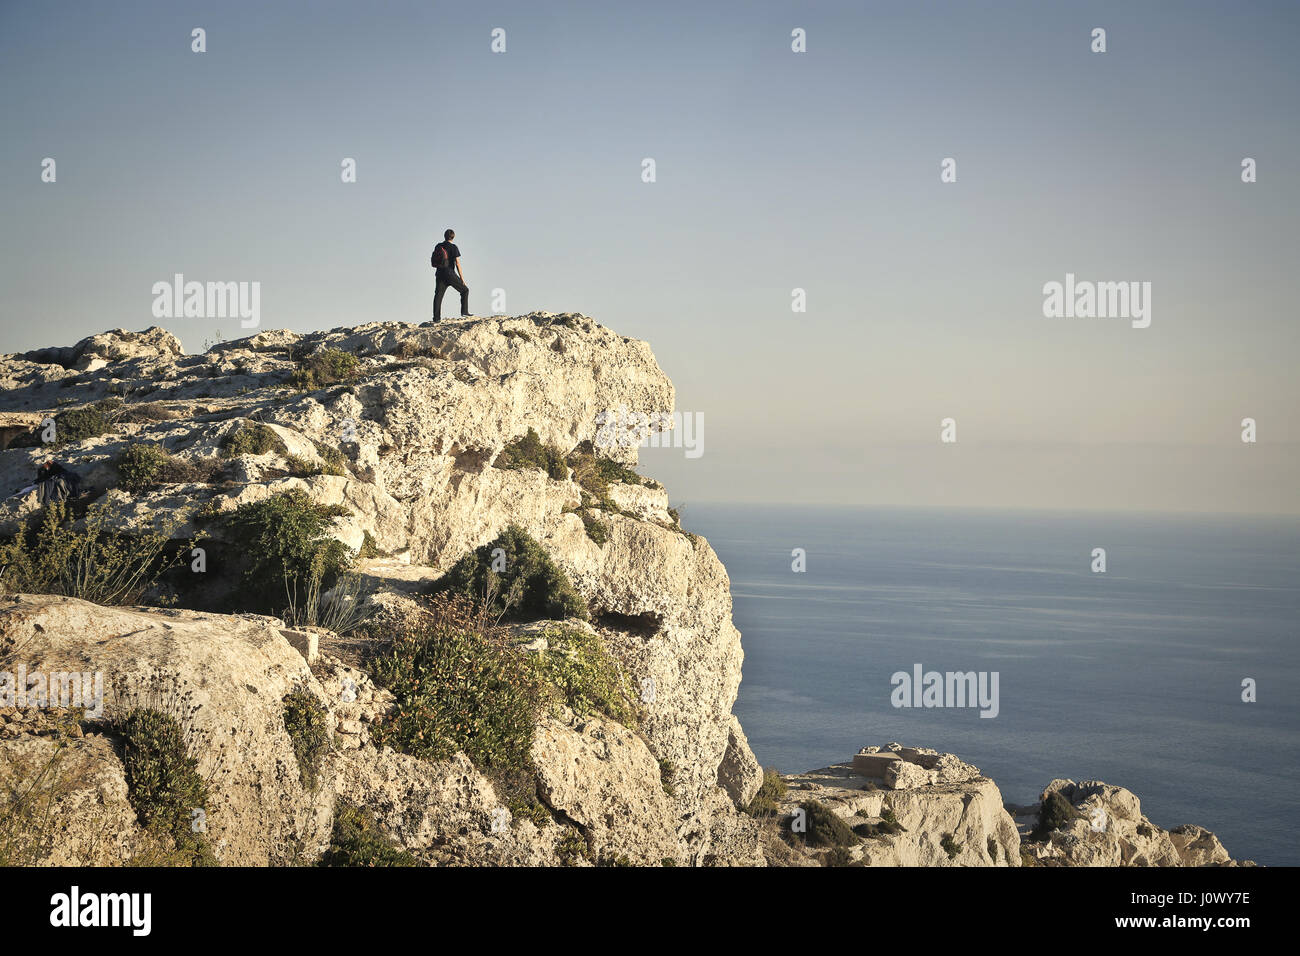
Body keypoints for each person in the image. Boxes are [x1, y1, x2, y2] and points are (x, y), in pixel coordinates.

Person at [431, 228, 469, 321]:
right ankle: (464, 312)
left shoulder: (438, 246)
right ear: (453, 237)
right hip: (449, 273)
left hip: (439, 273)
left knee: (438, 296)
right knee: (465, 290)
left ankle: (436, 318)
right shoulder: (454, 247)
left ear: (444, 236)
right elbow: (457, 263)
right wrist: (462, 279)